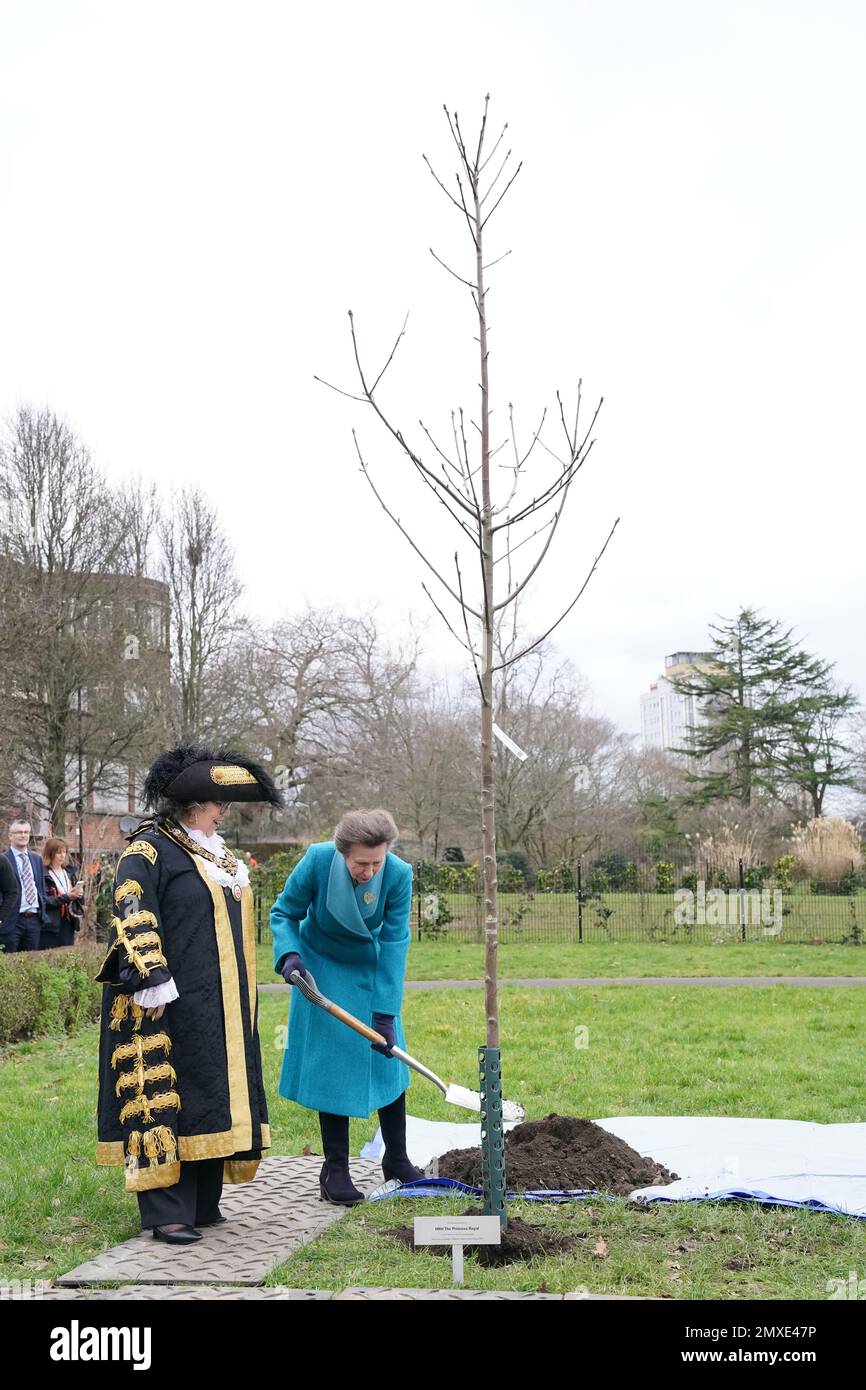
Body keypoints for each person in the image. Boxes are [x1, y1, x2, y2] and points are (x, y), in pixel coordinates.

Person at [96, 745, 282, 1245]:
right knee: (164, 1094)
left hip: (219, 1001)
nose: (225, 810)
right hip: (164, 997)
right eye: (218, 801)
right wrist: (151, 975)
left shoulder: (213, 851)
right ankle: (165, 1211)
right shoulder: (148, 849)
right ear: (195, 803)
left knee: (208, 1089)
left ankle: (201, 1202)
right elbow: (131, 908)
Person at [271, 807, 424, 1206]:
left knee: (388, 1059)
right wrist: (289, 955)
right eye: (361, 863)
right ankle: (335, 1169)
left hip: (372, 972)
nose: (370, 871)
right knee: (334, 1067)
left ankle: (397, 1158)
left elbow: (394, 942)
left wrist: (386, 1012)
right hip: (320, 970)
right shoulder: (318, 860)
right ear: (343, 854)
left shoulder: (400, 874)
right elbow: (284, 913)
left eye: (377, 861)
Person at [4, 819, 50, 952]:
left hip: (34, 920)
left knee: (32, 963)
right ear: (10, 835)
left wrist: (42, 913)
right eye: (19, 832)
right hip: (12, 921)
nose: (23, 835)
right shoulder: (3, 860)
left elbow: (40, 889)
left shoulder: (36, 859)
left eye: (26, 832)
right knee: (10, 963)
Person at [40, 837, 85, 948]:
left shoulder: (69, 872)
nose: (62, 855)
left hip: (69, 922)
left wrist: (79, 895)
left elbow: (79, 901)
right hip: (51, 924)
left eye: (64, 852)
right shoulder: (43, 874)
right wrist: (67, 896)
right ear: (50, 853)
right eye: (58, 853)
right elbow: (44, 900)